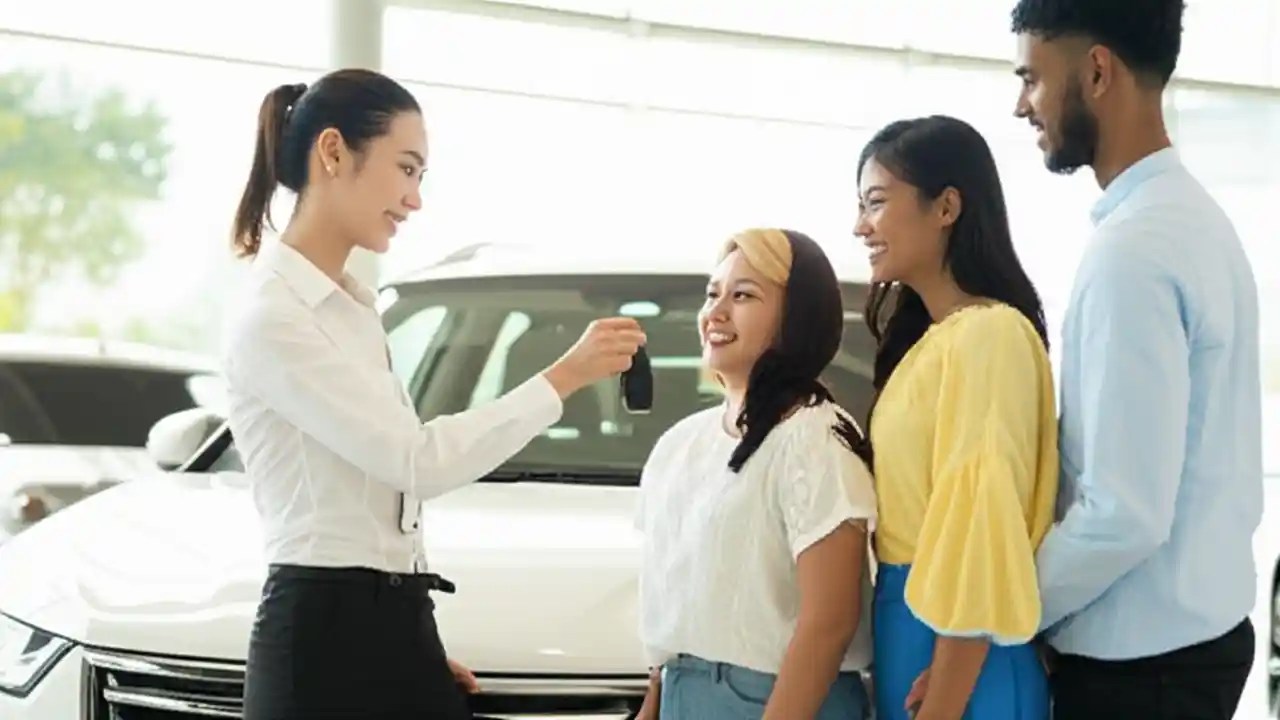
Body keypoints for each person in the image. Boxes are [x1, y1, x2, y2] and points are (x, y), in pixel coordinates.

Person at [222, 69, 646, 720]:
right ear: (333, 152)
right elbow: (416, 461)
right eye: (407, 169)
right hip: (321, 647)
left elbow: (374, 510)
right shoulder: (276, 315)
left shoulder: (353, 308)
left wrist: (404, 645)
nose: (414, 200)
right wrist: (564, 375)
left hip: (386, 624)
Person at [1010, 2, 1263, 718]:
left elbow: (1123, 513)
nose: (1020, 104)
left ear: (1095, 71)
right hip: (1189, 651)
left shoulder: (1136, 250)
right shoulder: (1194, 222)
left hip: (1143, 677)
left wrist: (1005, 614)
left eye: (1031, 78)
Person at [854, 115, 1059, 720]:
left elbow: (981, 520)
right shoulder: (933, 342)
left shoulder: (990, 333)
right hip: (913, 634)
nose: (859, 225)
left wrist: (945, 694)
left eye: (876, 202)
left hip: (961, 656)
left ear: (946, 206)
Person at [633, 228, 877, 720]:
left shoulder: (814, 436)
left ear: (796, 319)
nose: (716, 312)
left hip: (780, 702)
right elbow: (679, 608)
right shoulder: (680, 444)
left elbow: (829, 622)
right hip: (686, 692)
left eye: (742, 295)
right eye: (712, 293)